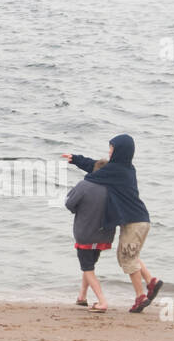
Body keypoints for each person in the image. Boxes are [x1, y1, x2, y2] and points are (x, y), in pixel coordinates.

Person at [64, 134, 163, 313]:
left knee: (127, 258)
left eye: (111, 148)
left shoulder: (116, 171)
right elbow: (96, 167)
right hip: (140, 220)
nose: (109, 151)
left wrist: (82, 183)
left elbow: (94, 174)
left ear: (120, 151)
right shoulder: (127, 168)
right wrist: (76, 160)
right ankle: (151, 282)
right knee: (129, 253)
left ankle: (141, 296)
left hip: (134, 222)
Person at [64, 158, 116, 311]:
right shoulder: (113, 188)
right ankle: (82, 297)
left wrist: (77, 209)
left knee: (87, 268)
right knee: (90, 265)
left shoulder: (84, 185)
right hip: (104, 235)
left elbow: (69, 203)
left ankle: (102, 301)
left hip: (86, 233)